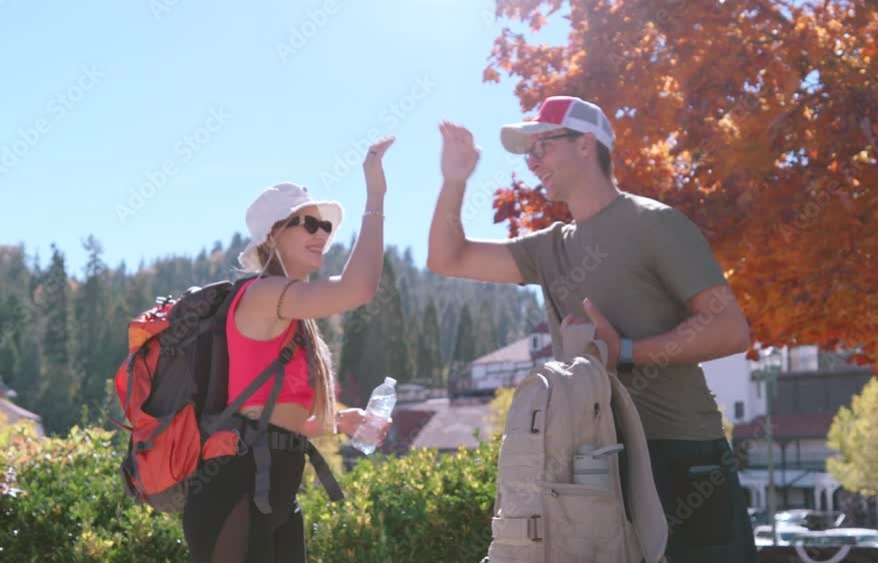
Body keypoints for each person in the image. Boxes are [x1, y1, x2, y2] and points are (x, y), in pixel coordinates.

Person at [428, 96, 758, 562]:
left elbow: (730, 331)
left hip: (681, 453)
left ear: (586, 145)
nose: (533, 160)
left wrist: (624, 350)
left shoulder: (656, 223)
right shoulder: (548, 249)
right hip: (594, 459)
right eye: (529, 151)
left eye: (543, 144)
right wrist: (455, 181)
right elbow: (448, 258)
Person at [183, 136, 395, 562]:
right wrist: (376, 197)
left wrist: (342, 421)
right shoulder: (263, 295)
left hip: (274, 489)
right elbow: (360, 287)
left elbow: (278, 422)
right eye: (308, 224)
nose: (322, 234)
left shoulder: (294, 316)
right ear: (273, 234)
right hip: (234, 492)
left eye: (325, 227)